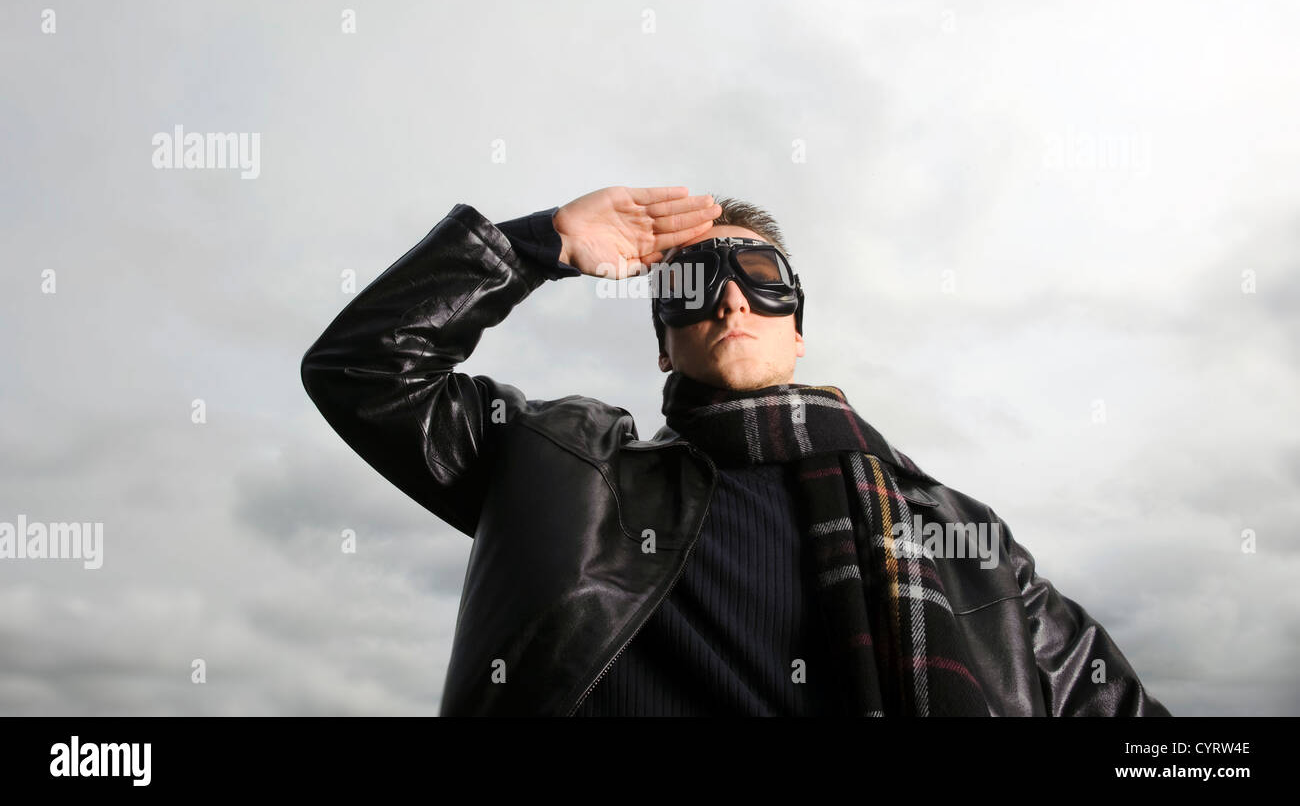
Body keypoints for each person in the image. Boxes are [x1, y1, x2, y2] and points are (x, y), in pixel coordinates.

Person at [300, 185, 1171, 717]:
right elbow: (363, 370)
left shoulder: (958, 537)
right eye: (689, 288)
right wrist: (541, 245)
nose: (730, 303)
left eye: (763, 282)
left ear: (798, 331)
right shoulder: (564, 476)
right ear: (660, 344)